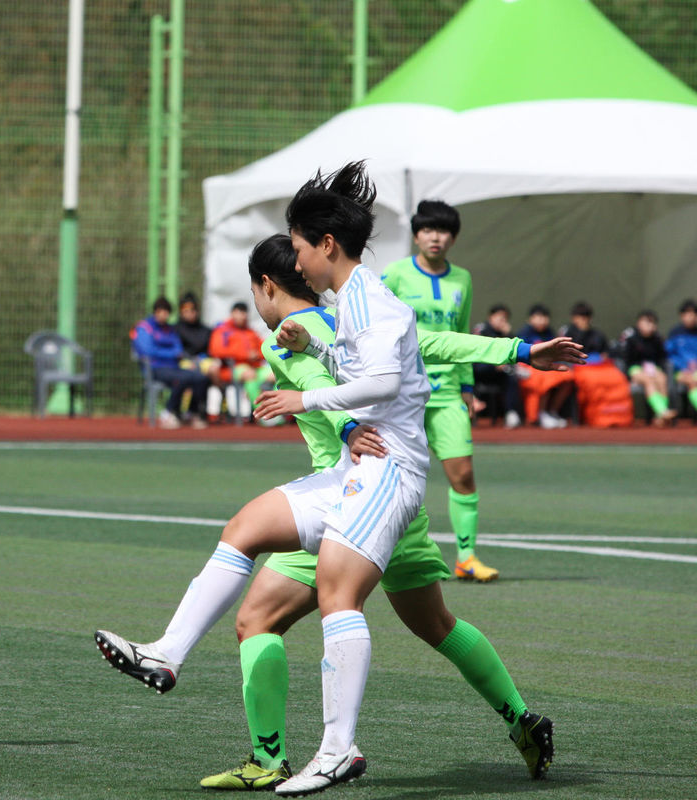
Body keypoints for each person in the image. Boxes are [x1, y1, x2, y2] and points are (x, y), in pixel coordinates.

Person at [94, 162, 445, 796]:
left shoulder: (369, 299)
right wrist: (312, 350)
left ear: (326, 246)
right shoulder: (348, 302)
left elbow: (388, 382)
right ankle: (168, 653)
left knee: (340, 595)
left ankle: (337, 749)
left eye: (301, 244)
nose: (298, 260)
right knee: (246, 527)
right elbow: (371, 363)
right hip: (354, 470)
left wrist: (306, 400)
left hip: (389, 470)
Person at [190, 235, 568, 791]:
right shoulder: (343, 315)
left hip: (344, 505)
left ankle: (285, 756)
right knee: (436, 625)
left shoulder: (289, 337)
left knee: (261, 618)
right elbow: (429, 342)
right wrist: (514, 351)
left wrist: (342, 426)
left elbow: (322, 387)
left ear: (267, 286)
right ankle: (521, 720)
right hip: (387, 502)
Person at [381, 200, 497, 582]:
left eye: (443, 231)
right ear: (416, 235)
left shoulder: (462, 278)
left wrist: (467, 386)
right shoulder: (394, 274)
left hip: (446, 392)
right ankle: (380, 552)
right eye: (428, 230)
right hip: (401, 392)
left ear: (454, 237)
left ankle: (466, 558)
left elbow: (461, 336)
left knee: (462, 473)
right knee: (389, 476)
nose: (436, 237)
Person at [132, 297, 210, 429]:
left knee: (200, 377)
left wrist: (171, 353)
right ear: (156, 312)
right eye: (162, 312)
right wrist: (170, 353)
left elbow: (178, 348)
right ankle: (167, 412)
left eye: (167, 312)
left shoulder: (169, 330)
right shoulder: (144, 328)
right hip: (155, 368)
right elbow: (148, 352)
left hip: (173, 367)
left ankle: (191, 413)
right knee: (183, 378)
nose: (164, 315)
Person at [209, 301, 274, 418]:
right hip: (231, 369)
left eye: (244, 313)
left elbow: (264, 348)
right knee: (249, 374)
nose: (242, 316)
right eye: (239, 313)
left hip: (255, 368)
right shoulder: (222, 331)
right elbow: (216, 350)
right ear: (233, 313)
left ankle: (278, 412)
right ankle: (262, 414)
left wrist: (257, 355)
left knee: (276, 375)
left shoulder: (250, 332)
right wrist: (244, 355)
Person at [514, 304, 575, 429]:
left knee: (569, 376)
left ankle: (551, 411)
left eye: (544, 317)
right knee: (544, 380)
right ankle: (539, 415)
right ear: (530, 319)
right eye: (538, 317)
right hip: (528, 369)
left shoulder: (549, 332)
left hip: (547, 366)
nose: (542, 320)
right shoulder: (524, 333)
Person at [175, 292, 228, 421]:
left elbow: (211, 350)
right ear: (181, 311)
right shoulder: (175, 329)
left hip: (203, 361)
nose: (190, 313)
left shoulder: (205, 330)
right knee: (191, 373)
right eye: (186, 310)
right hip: (184, 363)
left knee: (214, 369)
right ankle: (186, 410)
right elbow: (176, 351)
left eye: (192, 310)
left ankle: (223, 402)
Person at [621, 310, 677, 426]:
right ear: (639, 323)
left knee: (662, 379)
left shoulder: (657, 339)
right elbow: (626, 360)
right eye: (647, 322)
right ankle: (662, 411)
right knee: (649, 381)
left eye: (652, 323)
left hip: (653, 368)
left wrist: (655, 369)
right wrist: (636, 371)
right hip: (636, 369)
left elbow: (661, 358)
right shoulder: (631, 339)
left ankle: (660, 417)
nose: (650, 326)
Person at [473, 303, 524, 428]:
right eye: (499, 317)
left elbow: (513, 351)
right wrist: (493, 365)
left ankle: (511, 413)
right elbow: (476, 354)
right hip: (479, 369)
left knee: (511, 377)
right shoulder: (481, 329)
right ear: (491, 317)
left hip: (498, 373)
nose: (502, 321)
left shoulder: (504, 333)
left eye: (505, 318)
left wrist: (509, 334)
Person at [665, 298, 697, 417]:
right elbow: (669, 355)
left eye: (693, 313)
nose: (690, 317)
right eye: (687, 314)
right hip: (679, 372)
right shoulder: (675, 333)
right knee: (692, 382)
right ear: (681, 316)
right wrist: (684, 367)